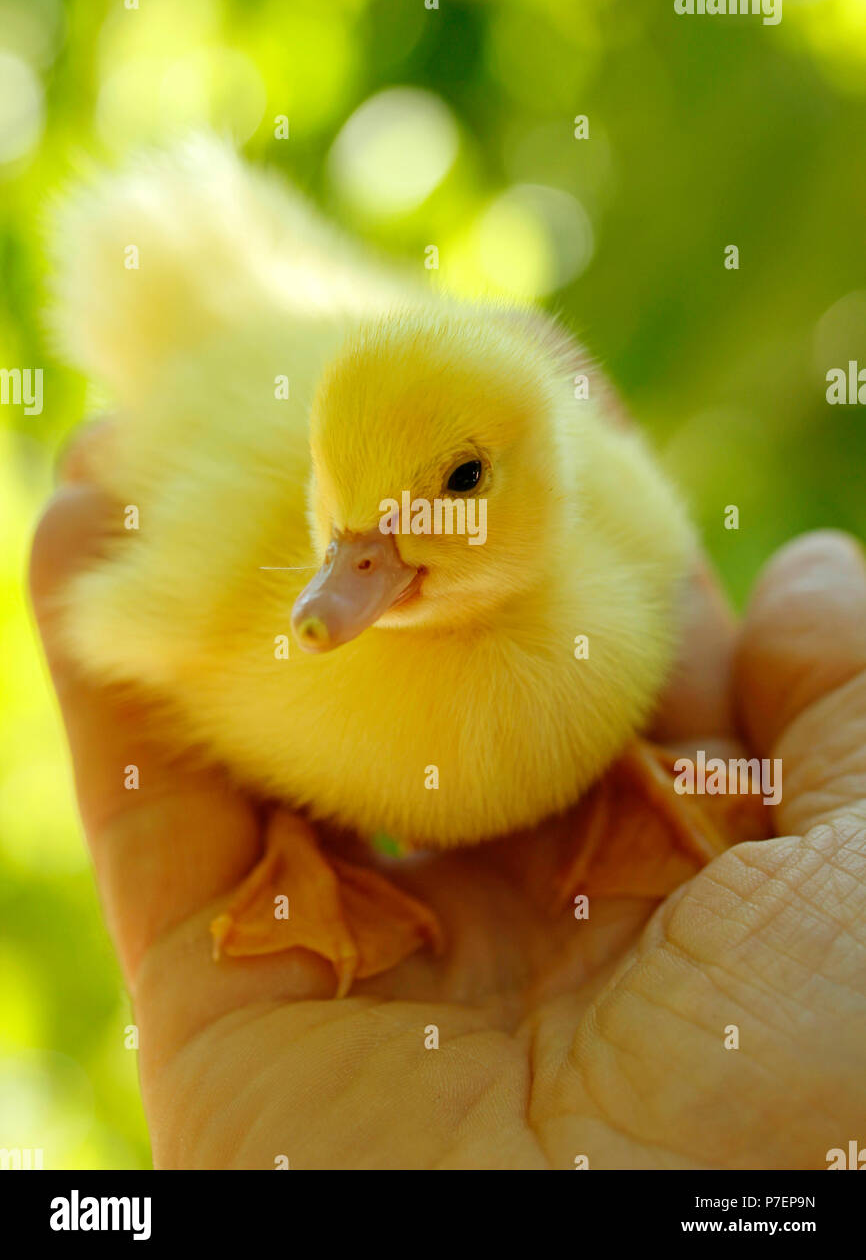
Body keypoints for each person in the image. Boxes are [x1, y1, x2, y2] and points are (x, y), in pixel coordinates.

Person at [30, 444, 866, 1170]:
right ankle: (297, 837)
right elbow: (122, 619)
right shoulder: (270, 565)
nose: (357, 564)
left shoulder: (613, 553)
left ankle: (618, 770)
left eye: (461, 480)